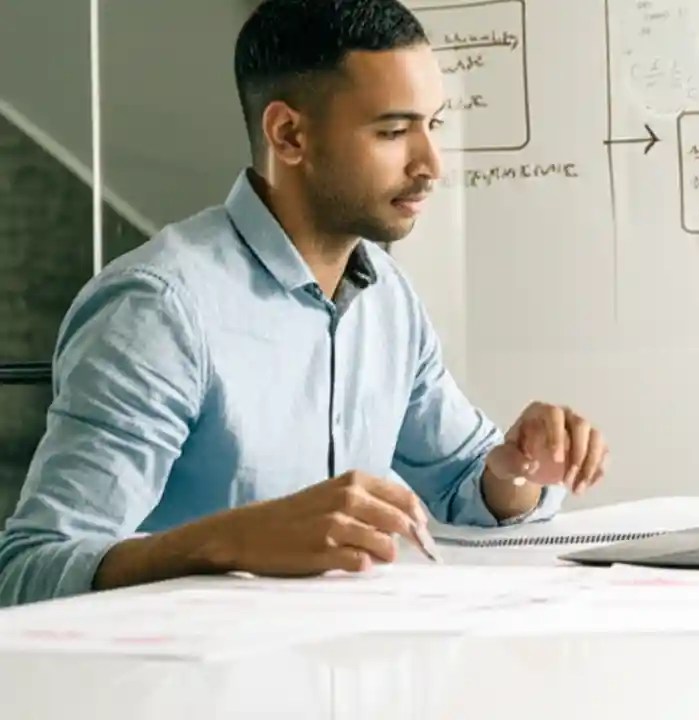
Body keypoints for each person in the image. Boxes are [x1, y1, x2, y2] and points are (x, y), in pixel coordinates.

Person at [0, 0, 608, 608]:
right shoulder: (160, 309)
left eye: (434, 125)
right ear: (288, 135)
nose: (430, 165)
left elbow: (469, 489)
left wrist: (518, 467)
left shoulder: (388, 298)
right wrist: (231, 542)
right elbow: (30, 573)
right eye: (393, 132)